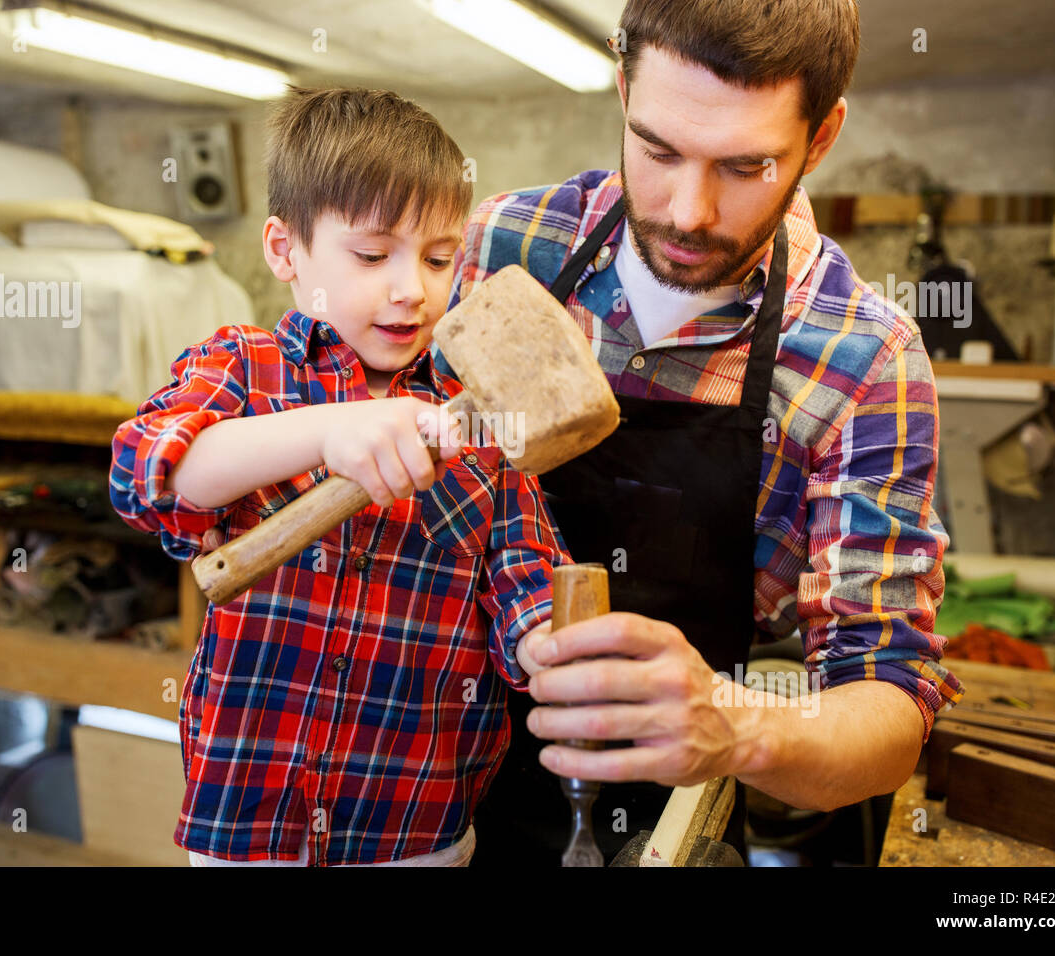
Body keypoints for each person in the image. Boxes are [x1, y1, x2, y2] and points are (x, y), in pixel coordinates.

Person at [442, 0, 966, 865]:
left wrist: (738, 728)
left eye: (746, 164)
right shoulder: (496, 247)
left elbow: (889, 713)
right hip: (433, 791)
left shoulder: (866, 360)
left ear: (822, 136)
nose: (688, 211)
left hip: (664, 821)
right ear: (622, 85)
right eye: (657, 150)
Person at [109, 87, 568, 866]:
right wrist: (328, 431)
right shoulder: (241, 370)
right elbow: (148, 473)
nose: (410, 289)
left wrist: (554, 650)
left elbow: (526, 581)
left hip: (413, 827)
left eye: (437, 257)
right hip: (249, 817)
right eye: (371, 254)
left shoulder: (480, 419)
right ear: (286, 251)